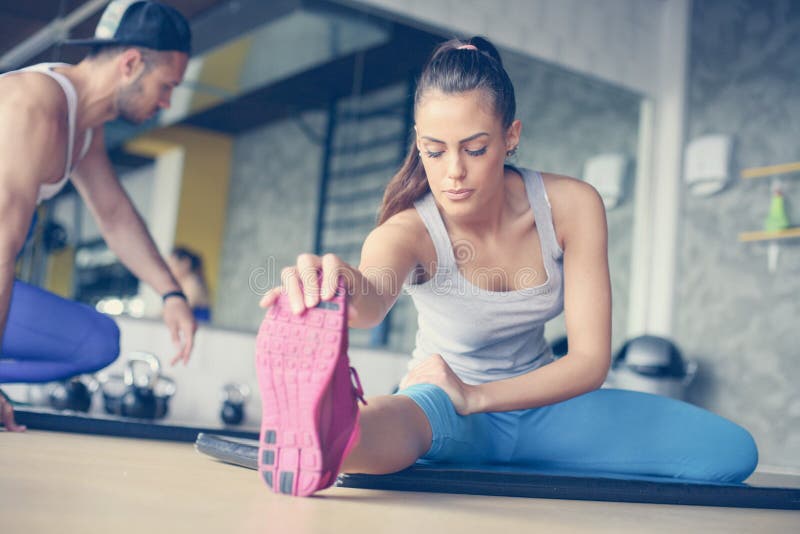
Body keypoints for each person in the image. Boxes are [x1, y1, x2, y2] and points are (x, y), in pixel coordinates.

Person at [257, 36, 758, 495]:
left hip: (545, 407)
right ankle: (330, 425)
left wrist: (478, 395)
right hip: (443, 405)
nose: (453, 172)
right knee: (393, 426)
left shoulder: (573, 206)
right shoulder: (408, 231)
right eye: (434, 151)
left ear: (510, 136)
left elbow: (589, 361)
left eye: (475, 149)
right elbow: (370, 300)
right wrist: (340, 286)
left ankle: (513, 460)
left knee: (730, 454)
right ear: (418, 141)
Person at [0, 1, 198, 431]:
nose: (166, 102)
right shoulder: (33, 105)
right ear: (130, 64)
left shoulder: (84, 126)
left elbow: (115, 216)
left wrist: (171, 294)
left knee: (96, 343)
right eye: (166, 86)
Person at [167, 246, 212, 322]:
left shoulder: (192, 281)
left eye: (172, 265)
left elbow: (183, 307)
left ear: (185, 263)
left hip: (198, 326)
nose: (170, 270)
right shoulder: (184, 282)